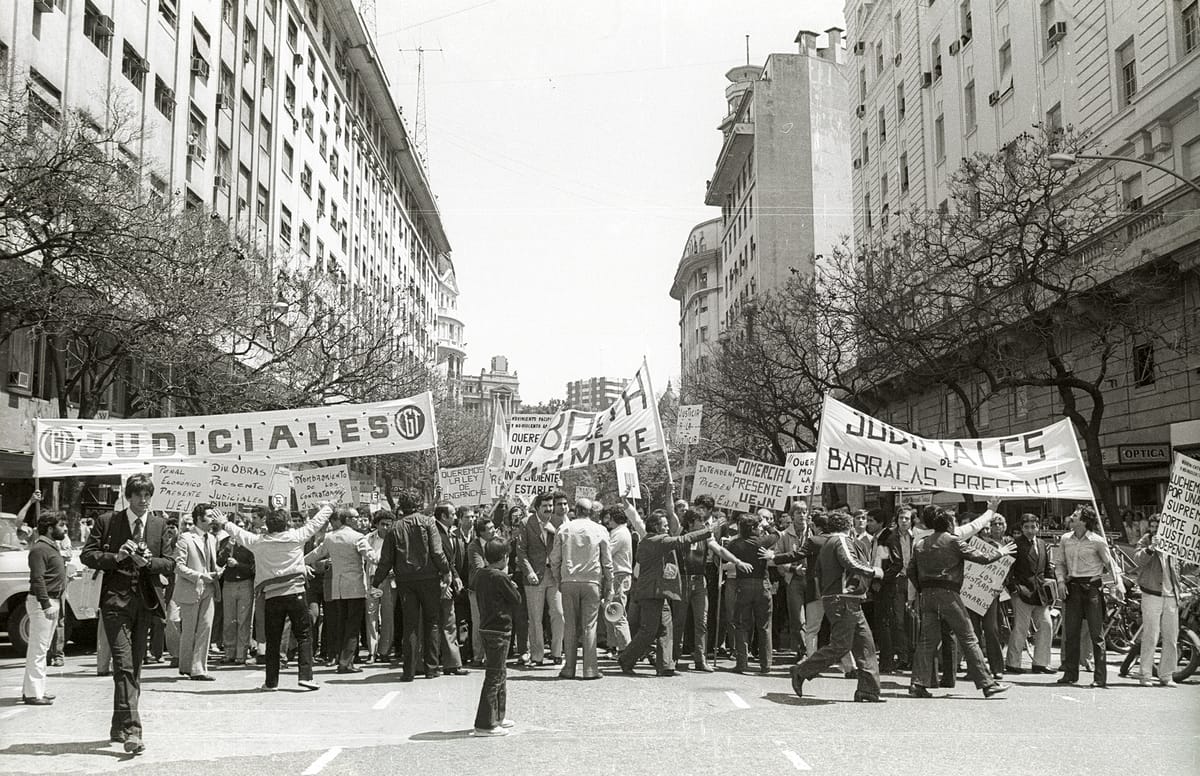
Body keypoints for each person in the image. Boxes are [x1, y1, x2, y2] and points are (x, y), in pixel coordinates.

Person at [81, 474, 176, 754]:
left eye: (147, 496)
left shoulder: (159, 525)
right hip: (115, 603)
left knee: (133, 668)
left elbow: (169, 563)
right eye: (138, 496)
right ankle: (133, 731)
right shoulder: (108, 522)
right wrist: (116, 557)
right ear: (128, 496)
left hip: (145, 603)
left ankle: (118, 724)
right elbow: (88, 555)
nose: (143, 501)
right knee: (123, 664)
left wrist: (149, 562)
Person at [764, 512, 884, 702]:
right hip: (844, 597)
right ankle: (802, 670)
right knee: (842, 645)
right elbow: (849, 561)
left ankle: (868, 689)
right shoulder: (841, 540)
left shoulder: (827, 543)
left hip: (842, 598)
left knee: (865, 644)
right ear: (849, 526)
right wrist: (873, 572)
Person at [214, 504, 331, 692]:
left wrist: (224, 522)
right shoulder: (296, 537)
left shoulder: (258, 542)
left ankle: (271, 682)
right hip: (296, 593)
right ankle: (306, 677)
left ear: (268, 525)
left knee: (273, 640)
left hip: (272, 597)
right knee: (304, 636)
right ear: (287, 524)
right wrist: (331, 504)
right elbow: (317, 522)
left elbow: (239, 534)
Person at [906, 507, 1014, 699]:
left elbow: (910, 570)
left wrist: (922, 588)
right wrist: (1001, 552)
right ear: (949, 524)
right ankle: (987, 683)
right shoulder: (953, 541)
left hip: (928, 595)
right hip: (949, 594)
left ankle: (918, 683)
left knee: (927, 641)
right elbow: (982, 558)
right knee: (968, 637)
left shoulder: (921, 544)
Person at [619, 510, 713, 677]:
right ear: (656, 527)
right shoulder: (658, 540)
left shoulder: (648, 540)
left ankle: (666, 666)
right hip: (652, 593)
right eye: (665, 525)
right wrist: (707, 531)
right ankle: (626, 659)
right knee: (649, 630)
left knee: (666, 628)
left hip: (657, 592)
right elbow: (683, 540)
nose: (668, 528)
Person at [371, 490, 451, 681]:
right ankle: (431, 668)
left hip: (405, 581)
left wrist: (375, 582)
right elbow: (437, 552)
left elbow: (385, 560)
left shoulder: (394, 528)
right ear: (417, 504)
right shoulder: (427, 522)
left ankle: (408, 671)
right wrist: (446, 571)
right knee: (431, 622)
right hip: (429, 578)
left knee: (410, 625)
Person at [1054, 505, 1126, 688]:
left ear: (1084, 521)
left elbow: (1110, 564)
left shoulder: (1097, 541)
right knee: (1071, 633)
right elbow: (1059, 563)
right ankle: (1070, 674)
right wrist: (1061, 582)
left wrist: (1118, 583)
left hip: (1092, 589)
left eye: (1075, 516)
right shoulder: (1065, 539)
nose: (1071, 518)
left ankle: (1100, 677)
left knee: (1096, 634)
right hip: (1073, 588)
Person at [675, 508, 751, 672]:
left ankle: (700, 660)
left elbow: (720, 550)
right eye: (700, 521)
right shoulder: (680, 534)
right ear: (690, 522)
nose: (703, 524)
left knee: (702, 623)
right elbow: (670, 511)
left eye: (704, 521)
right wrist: (669, 493)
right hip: (682, 581)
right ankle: (673, 657)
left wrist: (737, 562)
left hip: (700, 582)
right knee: (679, 622)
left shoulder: (706, 537)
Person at [550, 500, 615, 680]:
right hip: (592, 582)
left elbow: (554, 558)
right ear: (591, 512)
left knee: (569, 625)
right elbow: (607, 562)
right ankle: (590, 669)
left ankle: (569, 668)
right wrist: (609, 584)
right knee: (590, 626)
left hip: (569, 581)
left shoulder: (564, 528)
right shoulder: (600, 530)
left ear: (576, 510)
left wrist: (558, 579)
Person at [305, 506, 373, 673]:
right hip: (355, 587)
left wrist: (298, 562)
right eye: (355, 518)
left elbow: (315, 554)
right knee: (353, 626)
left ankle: (340, 658)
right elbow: (371, 556)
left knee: (341, 624)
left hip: (338, 587)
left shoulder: (330, 537)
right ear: (347, 520)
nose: (358, 520)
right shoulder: (358, 537)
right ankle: (346, 662)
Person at [795, 513, 856, 678]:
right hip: (837, 592)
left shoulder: (814, 540)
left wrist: (773, 557)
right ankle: (850, 667)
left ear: (815, 526)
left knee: (812, 630)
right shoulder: (839, 541)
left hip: (818, 591)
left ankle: (811, 665)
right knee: (839, 631)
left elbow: (796, 555)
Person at [473, 538, 521, 737]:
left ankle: (498, 716)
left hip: (487, 627)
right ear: (503, 558)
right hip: (499, 629)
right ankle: (485, 723)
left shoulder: (481, 574)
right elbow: (515, 599)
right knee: (495, 676)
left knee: (500, 673)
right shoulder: (500, 577)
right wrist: (512, 585)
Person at [1133, 524, 1190, 687]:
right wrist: (1151, 548)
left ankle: (1166, 675)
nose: (1156, 529)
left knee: (1171, 637)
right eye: (1153, 526)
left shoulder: (1174, 543)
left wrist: (1195, 562)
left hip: (1171, 595)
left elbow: (1180, 569)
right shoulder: (1147, 540)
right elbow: (1138, 559)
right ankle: (1145, 674)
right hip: (1152, 593)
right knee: (1151, 635)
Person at [23, 511, 67, 705]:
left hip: (51, 600)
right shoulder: (40, 549)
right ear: (50, 528)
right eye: (61, 525)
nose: (65, 528)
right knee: (38, 649)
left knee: (42, 648)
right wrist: (46, 604)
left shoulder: (49, 547)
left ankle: (35, 690)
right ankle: (33, 693)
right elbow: (37, 579)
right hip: (45, 603)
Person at [173, 503, 222, 681]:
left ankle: (198, 668)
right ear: (199, 518)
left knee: (206, 627)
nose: (213, 519)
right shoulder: (185, 538)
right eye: (209, 516)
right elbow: (178, 567)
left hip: (209, 589)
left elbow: (210, 562)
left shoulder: (212, 538)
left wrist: (218, 570)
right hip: (191, 589)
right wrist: (200, 576)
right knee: (189, 629)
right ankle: (186, 666)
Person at [516, 492, 565, 667]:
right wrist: (529, 571)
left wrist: (555, 532)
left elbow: (565, 546)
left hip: (554, 575)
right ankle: (537, 655)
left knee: (559, 613)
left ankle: (557, 652)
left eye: (551, 505)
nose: (549, 509)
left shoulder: (559, 522)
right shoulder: (526, 523)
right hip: (535, 576)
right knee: (535, 618)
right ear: (537, 508)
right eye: (545, 506)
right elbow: (521, 551)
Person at [727, 511, 780, 674]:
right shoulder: (762, 541)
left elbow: (723, 557)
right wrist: (767, 525)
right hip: (762, 584)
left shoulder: (735, 544)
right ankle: (766, 664)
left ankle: (742, 662)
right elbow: (776, 534)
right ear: (755, 528)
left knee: (742, 625)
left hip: (743, 584)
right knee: (764, 626)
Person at [1004, 514, 1055, 674]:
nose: (1030, 530)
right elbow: (1008, 569)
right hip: (1022, 592)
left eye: (1033, 527)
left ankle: (1041, 663)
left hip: (1040, 593)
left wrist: (1050, 583)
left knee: (1046, 625)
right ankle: (1013, 663)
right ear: (1022, 528)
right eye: (1026, 527)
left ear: (1038, 527)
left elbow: (1046, 569)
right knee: (1021, 628)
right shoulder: (1015, 545)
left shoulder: (1042, 544)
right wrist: (1014, 589)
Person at [432, 503, 471, 676]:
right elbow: (438, 559)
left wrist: (455, 576)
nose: (455, 517)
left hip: (447, 581)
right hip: (440, 584)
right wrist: (444, 582)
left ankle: (449, 661)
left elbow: (449, 560)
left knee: (448, 622)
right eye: (453, 514)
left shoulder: (448, 533)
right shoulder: (436, 533)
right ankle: (451, 663)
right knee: (447, 622)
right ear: (443, 516)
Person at [969, 515, 1010, 679]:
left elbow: (1004, 569)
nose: (986, 531)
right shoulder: (969, 545)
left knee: (992, 630)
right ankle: (976, 668)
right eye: (984, 528)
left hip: (990, 594)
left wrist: (1002, 584)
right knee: (973, 631)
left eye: (988, 528)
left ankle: (996, 668)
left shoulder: (996, 546)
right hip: (970, 593)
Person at [773, 500, 810, 663]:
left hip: (813, 579)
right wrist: (793, 569)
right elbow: (777, 558)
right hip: (794, 580)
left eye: (804, 512)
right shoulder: (784, 535)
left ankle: (813, 650)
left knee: (814, 619)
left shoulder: (813, 532)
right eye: (798, 512)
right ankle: (803, 651)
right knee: (798, 618)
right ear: (792, 515)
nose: (802, 515)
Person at [217, 514, 256, 666]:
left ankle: (242, 653)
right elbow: (219, 562)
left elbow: (253, 568)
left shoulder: (250, 542)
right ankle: (229, 652)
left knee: (243, 620)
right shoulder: (225, 542)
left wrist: (238, 565)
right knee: (229, 620)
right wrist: (228, 548)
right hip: (229, 583)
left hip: (245, 583)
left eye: (240, 524)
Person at [364, 510, 396, 664]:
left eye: (388, 525)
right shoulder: (368, 539)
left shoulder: (396, 538)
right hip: (372, 580)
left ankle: (385, 651)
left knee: (388, 616)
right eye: (382, 524)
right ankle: (372, 652)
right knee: (371, 617)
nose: (385, 527)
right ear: (376, 524)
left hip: (389, 581)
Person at [466, 515, 495, 667]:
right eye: (490, 529)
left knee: (492, 624)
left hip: (494, 590)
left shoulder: (496, 542)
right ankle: (478, 656)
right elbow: (479, 569)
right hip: (477, 590)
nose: (494, 531)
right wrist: (496, 567)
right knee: (479, 623)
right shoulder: (474, 546)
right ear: (481, 532)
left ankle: (492, 656)